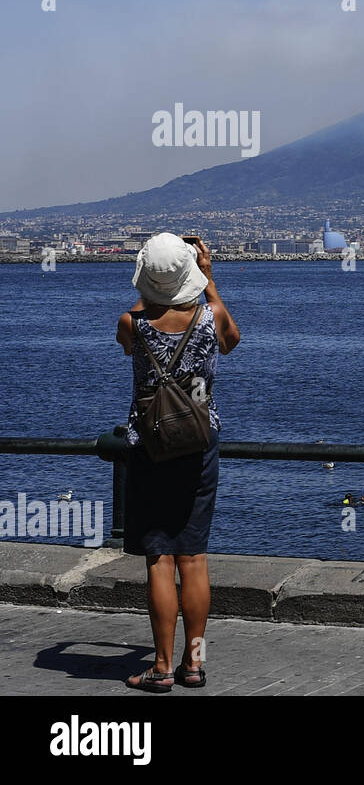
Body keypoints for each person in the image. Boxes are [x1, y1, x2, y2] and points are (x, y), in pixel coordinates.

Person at [116, 234, 240, 692]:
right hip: (200, 444)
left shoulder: (132, 322)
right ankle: (194, 664)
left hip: (149, 447)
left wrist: (157, 282)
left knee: (159, 558)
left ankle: (162, 667)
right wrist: (206, 277)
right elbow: (232, 341)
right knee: (193, 558)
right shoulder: (212, 317)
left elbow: (131, 334)